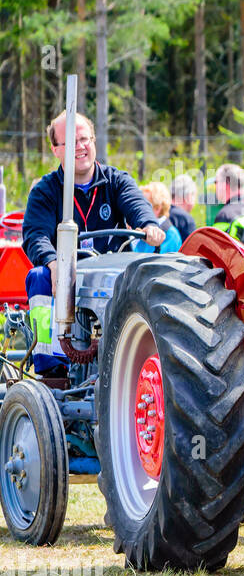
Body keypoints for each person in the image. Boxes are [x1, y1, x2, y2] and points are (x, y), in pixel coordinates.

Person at [22, 111, 164, 377]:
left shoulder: (116, 181)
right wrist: (53, 263)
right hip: (66, 281)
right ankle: (52, 368)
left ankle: (143, 361)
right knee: (39, 276)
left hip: (112, 282)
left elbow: (136, 204)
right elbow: (35, 234)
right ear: (55, 150)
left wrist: (148, 225)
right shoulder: (45, 192)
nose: (80, 147)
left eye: (84, 139)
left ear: (94, 141)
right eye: (71, 142)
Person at [131, 183, 182, 253]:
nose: (139, 208)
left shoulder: (171, 235)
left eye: (144, 205)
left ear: (158, 208)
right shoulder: (138, 226)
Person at [167, 173, 197, 242]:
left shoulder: (161, 212)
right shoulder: (186, 219)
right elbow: (192, 249)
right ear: (188, 195)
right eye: (194, 195)